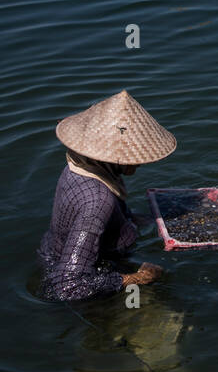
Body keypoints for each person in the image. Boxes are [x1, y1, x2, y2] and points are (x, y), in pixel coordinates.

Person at [39, 89, 176, 302]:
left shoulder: (77, 168)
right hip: (100, 274)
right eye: (134, 153)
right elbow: (66, 286)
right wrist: (138, 278)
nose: (139, 161)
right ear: (113, 158)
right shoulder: (97, 200)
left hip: (64, 253)